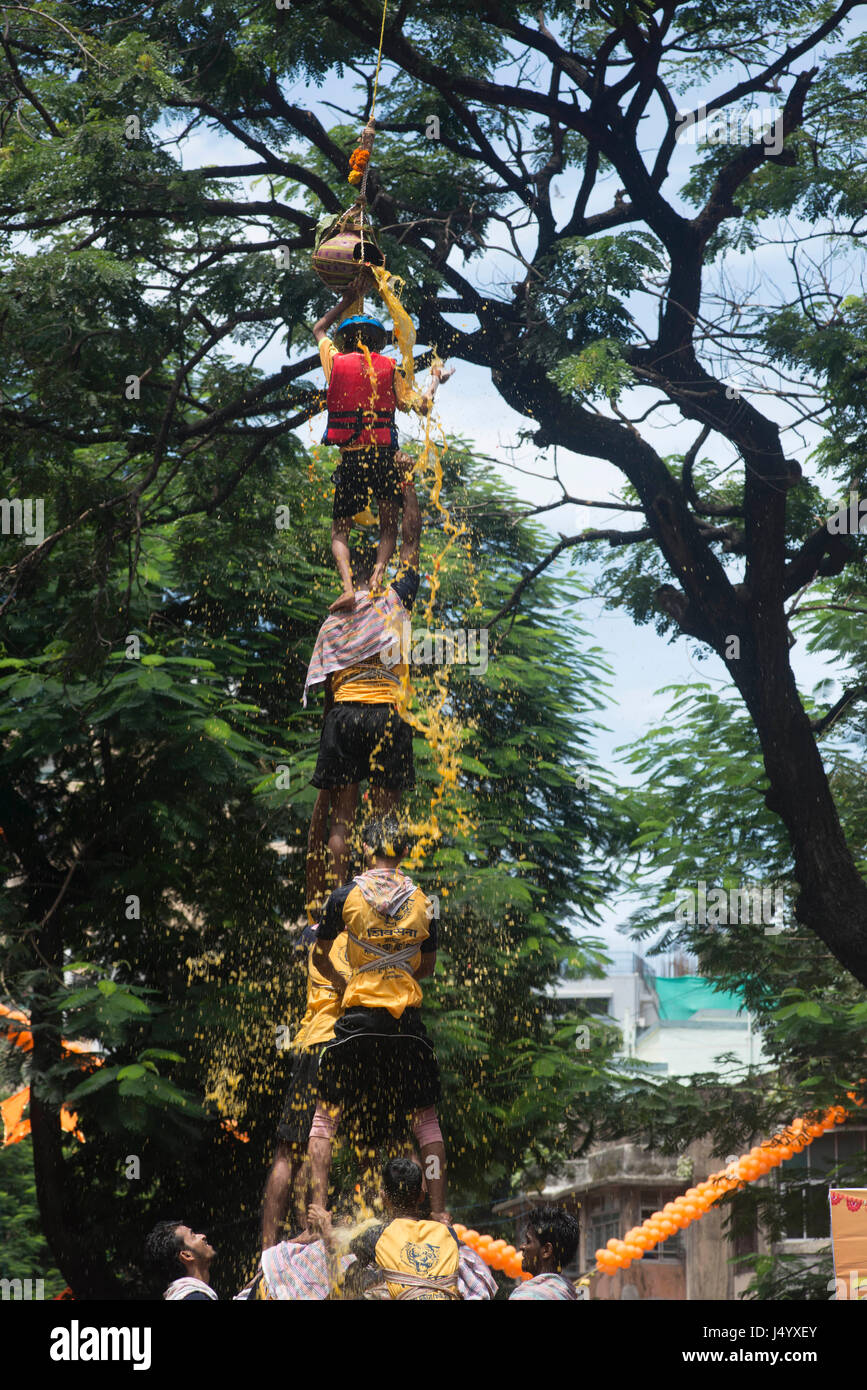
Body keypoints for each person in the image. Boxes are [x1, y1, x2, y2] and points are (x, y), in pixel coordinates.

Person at [306, 814, 448, 1220]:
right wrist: (398, 971)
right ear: (404, 852)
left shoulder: (344, 896)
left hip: (357, 1025)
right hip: (407, 1028)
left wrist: (343, 981)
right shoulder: (424, 901)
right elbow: (428, 966)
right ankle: (438, 1214)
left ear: (367, 851)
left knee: (325, 1117)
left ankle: (318, 1211)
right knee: (426, 1123)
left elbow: (321, 953)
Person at [303, 481, 422, 889]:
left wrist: (332, 729)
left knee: (341, 821)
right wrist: (406, 488)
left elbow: (328, 691)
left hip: (343, 717)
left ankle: (340, 900)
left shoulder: (336, 620)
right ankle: (381, 891)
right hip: (388, 717)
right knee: (385, 819)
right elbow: (411, 541)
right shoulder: (394, 600)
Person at [313, 275, 449, 612]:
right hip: (386, 458)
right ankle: (378, 572)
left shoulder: (335, 364)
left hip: (352, 460)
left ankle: (347, 587)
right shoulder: (390, 370)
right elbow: (422, 406)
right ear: (377, 342)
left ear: (344, 341)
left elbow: (318, 329)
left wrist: (347, 298)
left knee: (339, 533)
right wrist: (435, 379)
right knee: (389, 525)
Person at [260, 924, 350, 1249]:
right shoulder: (363, 926)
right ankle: (310, 1229)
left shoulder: (313, 933)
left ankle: (268, 1250)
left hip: (313, 1040)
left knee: (292, 1148)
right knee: (325, 1139)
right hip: (346, 1040)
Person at [308, 1181, 497, 1301]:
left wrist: (324, 1224)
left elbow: (334, 1247)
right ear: (421, 1196)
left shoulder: (378, 1234)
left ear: (384, 1197)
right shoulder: (447, 1233)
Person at [509, 1205, 582, 1300]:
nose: (522, 1247)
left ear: (546, 1250)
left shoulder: (528, 1296)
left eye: (528, 1241)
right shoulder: (569, 1293)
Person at [144, 1220, 218, 1300]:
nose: (202, 1236)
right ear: (187, 1255)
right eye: (193, 1236)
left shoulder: (184, 1296)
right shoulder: (195, 1297)